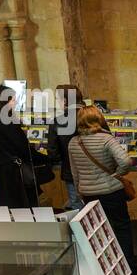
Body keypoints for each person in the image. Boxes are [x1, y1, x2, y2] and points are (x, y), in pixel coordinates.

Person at [67, 106, 137, 275]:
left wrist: (80, 190)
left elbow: (75, 171)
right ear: (98, 119)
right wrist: (117, 174)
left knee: (98, 230)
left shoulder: (74, 142)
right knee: (121, 227)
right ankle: (128, 267)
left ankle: (105, 268)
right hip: (111, 191)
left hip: (88, 193)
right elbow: (125, 161)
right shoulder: (106, 139)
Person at [0, 83, 50, 208]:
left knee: (8, 208)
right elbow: (22, 148)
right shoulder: (8, 120)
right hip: (15, 173)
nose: (15, 102)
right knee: (25, 207)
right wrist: (45, 158)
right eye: (13, 99)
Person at [51, 83, 85, 211]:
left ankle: (81, 231)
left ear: (64, 101)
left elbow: (52, 151)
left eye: (57, 99)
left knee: (77, 206)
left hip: (70, 170)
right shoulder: (93, 116)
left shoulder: (58, 121)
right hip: (95, 171)